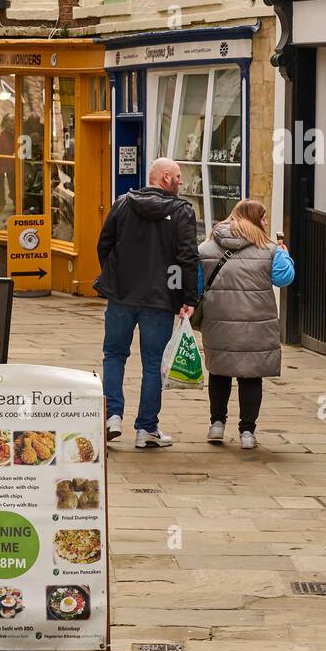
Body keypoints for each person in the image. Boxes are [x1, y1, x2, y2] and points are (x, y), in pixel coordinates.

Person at [94, 157, 199, 448]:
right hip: (160, 300)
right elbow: (187, 258)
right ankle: (146, 429)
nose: (181, 181)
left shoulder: (123, 204)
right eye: (178, 176)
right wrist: (188, 297)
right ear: (165, 178)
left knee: (114, 355)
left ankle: (111, 417)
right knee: (153, 365)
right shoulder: (182, 212)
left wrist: (116, 277)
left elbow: (104, 245)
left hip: (121, 296)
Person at [198, 199, 294, 450]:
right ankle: (247, 432)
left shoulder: (206, 247)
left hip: (218, 320)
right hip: (256, 323)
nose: (265, 223)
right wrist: (284, 253)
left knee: (219, 371)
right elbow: (284, 278)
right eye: (262, 218)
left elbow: (197, 283)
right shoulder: (270, 250)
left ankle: (216, 424)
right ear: (253, 219)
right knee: (250, 377)